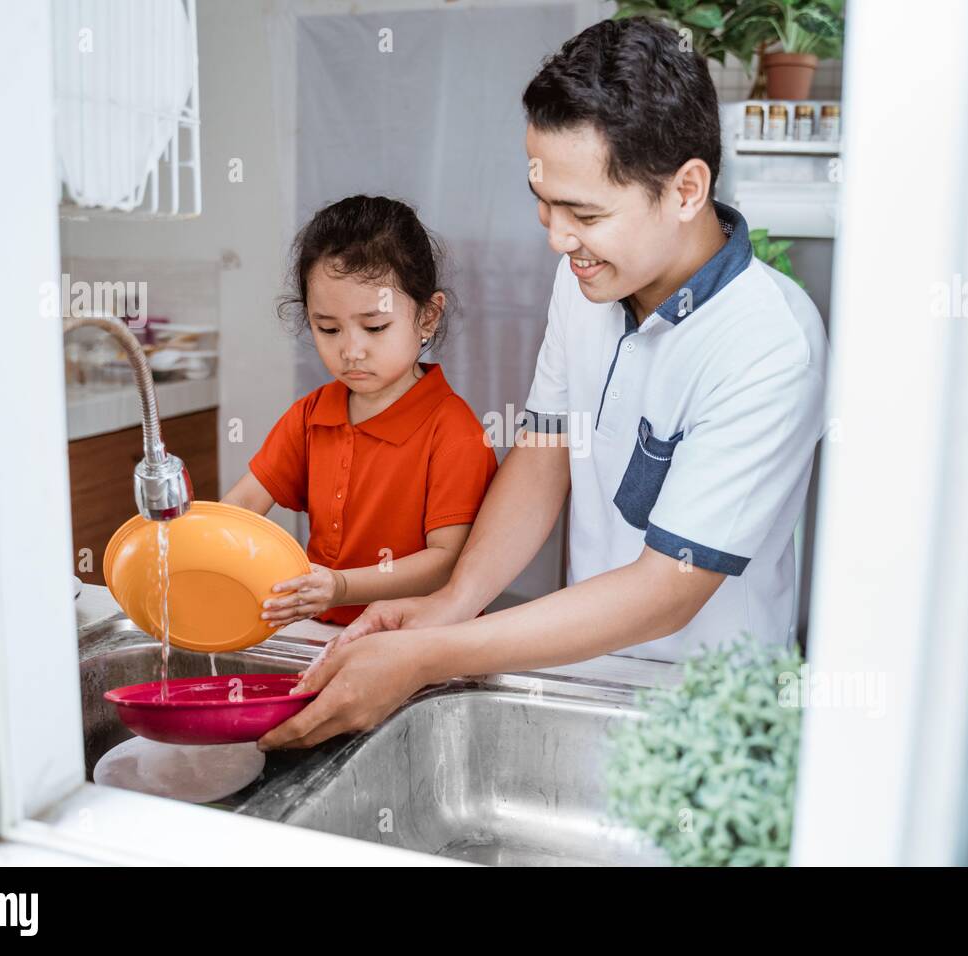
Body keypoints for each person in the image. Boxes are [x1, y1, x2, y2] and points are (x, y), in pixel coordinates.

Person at [258, 17, 827, 751]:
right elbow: (544, 450)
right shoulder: (584, 281)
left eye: (585, 213)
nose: (556, 238)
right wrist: (453, 602)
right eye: (544, 199)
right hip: (582, 672)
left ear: (687, 189)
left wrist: (425, 655)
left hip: (709, 707)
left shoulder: (768, 345)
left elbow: (666, 590)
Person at [221, 195, 498, 628]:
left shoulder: (453, 432)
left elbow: (446, 562)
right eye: (327, 328)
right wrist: (194, 548)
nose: (350, 350)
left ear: (427, 317)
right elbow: (241, 505)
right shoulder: (312, 414)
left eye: (374, 327)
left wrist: (342, 586)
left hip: (420, 639)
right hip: (324, 632)